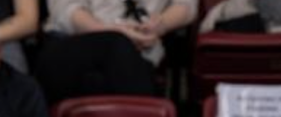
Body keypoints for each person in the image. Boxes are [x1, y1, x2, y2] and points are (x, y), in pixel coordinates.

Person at [34, 0, 197, 103]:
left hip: (136, 58)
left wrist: (161, 25)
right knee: (116, 45)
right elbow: (66, 11)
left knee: (104, 81)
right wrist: (113, 32)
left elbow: (187, 5)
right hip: (71, 49)